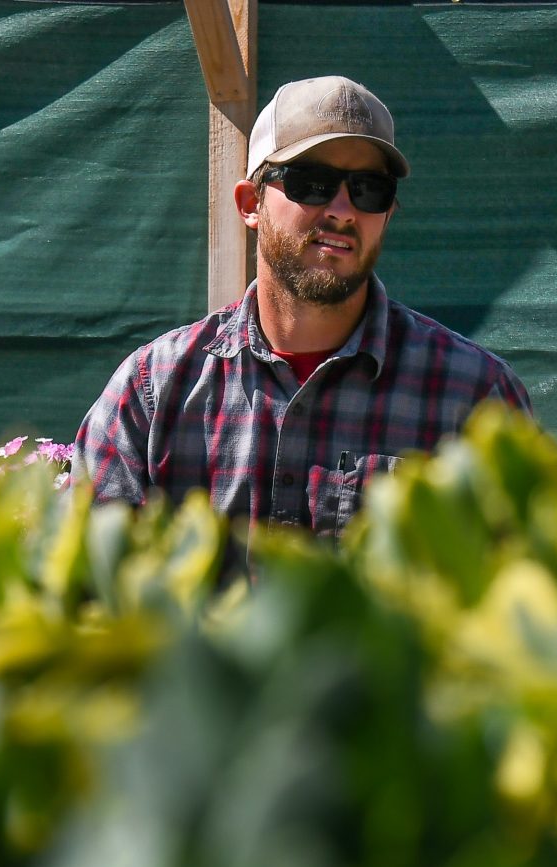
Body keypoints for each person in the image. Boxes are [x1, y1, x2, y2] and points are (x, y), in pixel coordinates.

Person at [74, 75, 531, 539]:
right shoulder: (156, 390)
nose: (343, 210)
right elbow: (88, 587)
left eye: (370, 189)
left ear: (389, 213)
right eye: (313, 182)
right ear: (251, 204)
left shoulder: (473, 396)